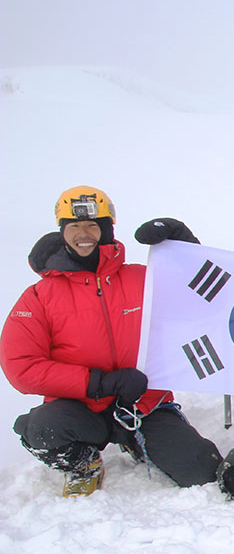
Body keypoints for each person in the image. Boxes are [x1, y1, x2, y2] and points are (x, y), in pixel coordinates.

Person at [1, 187, 221, 495]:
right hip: (80, 408)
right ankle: (82, 461)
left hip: (143, 405)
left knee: (203, 470)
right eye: (73, 226)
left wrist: (188, 250)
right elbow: (20, 366)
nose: (84, 233)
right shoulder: (39, 296)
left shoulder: (140, 279)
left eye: (93, 224)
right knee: (42, 428)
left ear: (107, 230)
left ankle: (140, 443)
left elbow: (200, 299)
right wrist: (101, 384)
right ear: (62, 231)